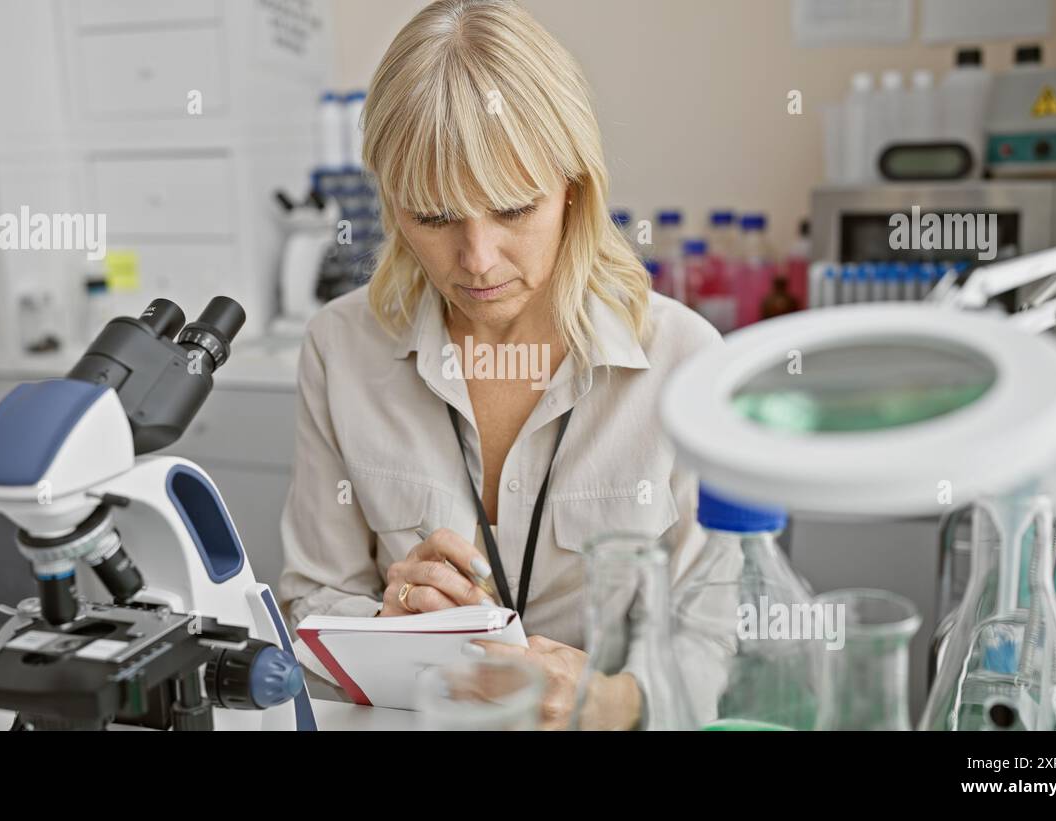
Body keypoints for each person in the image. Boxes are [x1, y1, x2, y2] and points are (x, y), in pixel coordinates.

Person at [279, 0, 731, 729]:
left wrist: (611, 701)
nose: (478, 260)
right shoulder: (340, 348)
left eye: (514, 209)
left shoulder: (685, 363)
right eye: (434, 218)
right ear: (392, 206)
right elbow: (309, 601)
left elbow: (717, 638)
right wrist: (386, 623)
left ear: (574, 189)